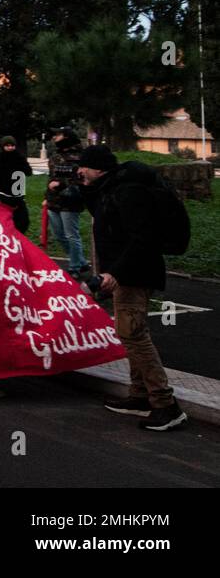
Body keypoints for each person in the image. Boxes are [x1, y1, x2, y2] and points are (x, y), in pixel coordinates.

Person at [80, 146, 188, 432]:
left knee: (133, 334)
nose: (79, 171)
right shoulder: (112, 188)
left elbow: (143, 238)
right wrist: (86, 188)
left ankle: (166, 404)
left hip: (134, 273)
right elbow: (106, 218)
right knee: (131, 333)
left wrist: (116, 272)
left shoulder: (128, 192)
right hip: (126, 272)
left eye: (84, 167)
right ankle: (140, 395)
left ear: (98, 168)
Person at [45, 126, 89, 277]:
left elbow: (83, 179)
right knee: (59, 235)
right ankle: (82, 262)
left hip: (70, 202)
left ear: (67, 137)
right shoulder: (56, 155)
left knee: (71, 235)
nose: (54, 138)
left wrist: (62, 185)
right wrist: (47, 196)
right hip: (54, 201)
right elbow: (51, 177)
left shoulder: (81, 156)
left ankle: (75, 267)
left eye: (58, 135)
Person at [0, 135, 32, 233]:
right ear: (3, 146)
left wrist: (21, 166)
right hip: (1, 193)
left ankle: (18, 237)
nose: (10, 147)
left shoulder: (19, 157)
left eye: (12, 145)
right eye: (7, 145)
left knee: (22, 220)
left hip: (17, 192)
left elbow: (28, 171)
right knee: (1, 219)